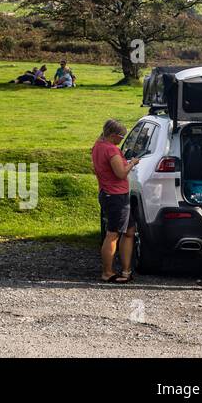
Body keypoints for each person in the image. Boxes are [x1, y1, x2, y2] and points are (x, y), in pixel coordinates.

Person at [92, 119, 139, 283]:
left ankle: (126, 270)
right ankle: (108, 272)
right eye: (121, 136)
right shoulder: (111, 150)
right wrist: (131, 163)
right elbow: (120, 173)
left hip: (107, 193)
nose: (122, 139)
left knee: (129, 230)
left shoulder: (98, 146)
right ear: (112, 135)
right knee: (112, 234)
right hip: (116, 196)